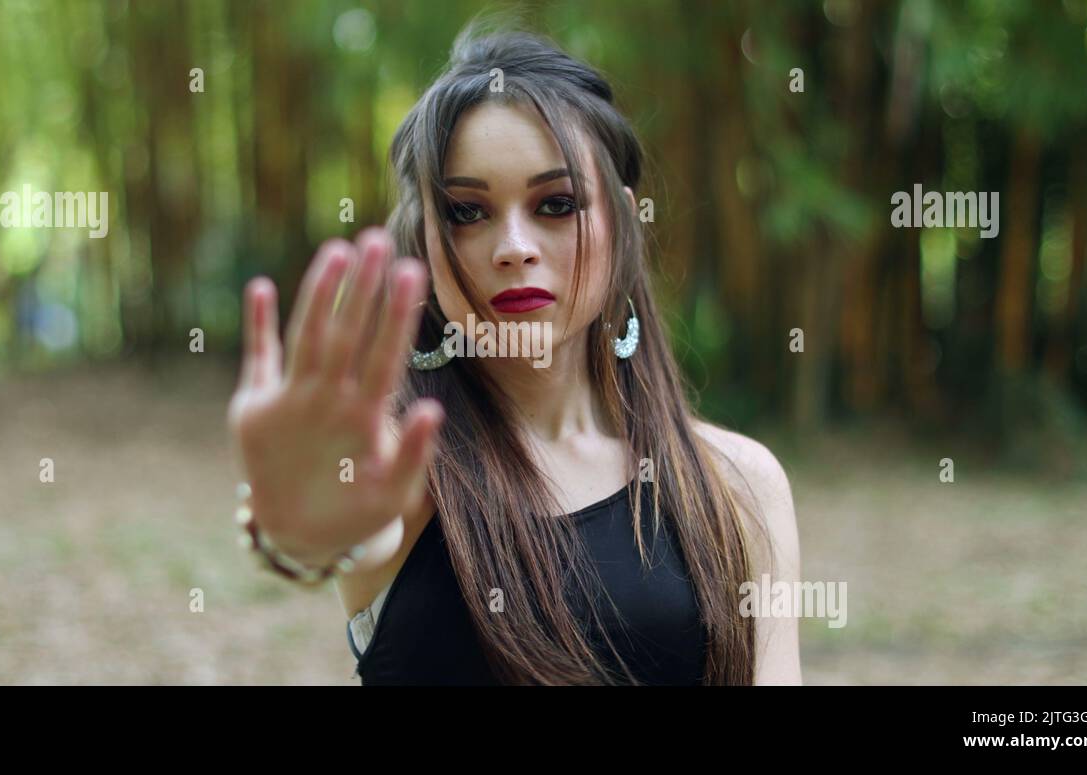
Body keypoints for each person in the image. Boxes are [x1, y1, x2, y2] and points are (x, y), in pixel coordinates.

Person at [227, 22, 801, 685]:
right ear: (426, 241)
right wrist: (289, 524)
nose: (514, 246)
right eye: (467, 212)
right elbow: (326, 530)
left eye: (556, 203)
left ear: (621, 219)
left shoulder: (737, 483)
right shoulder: (400, 464)